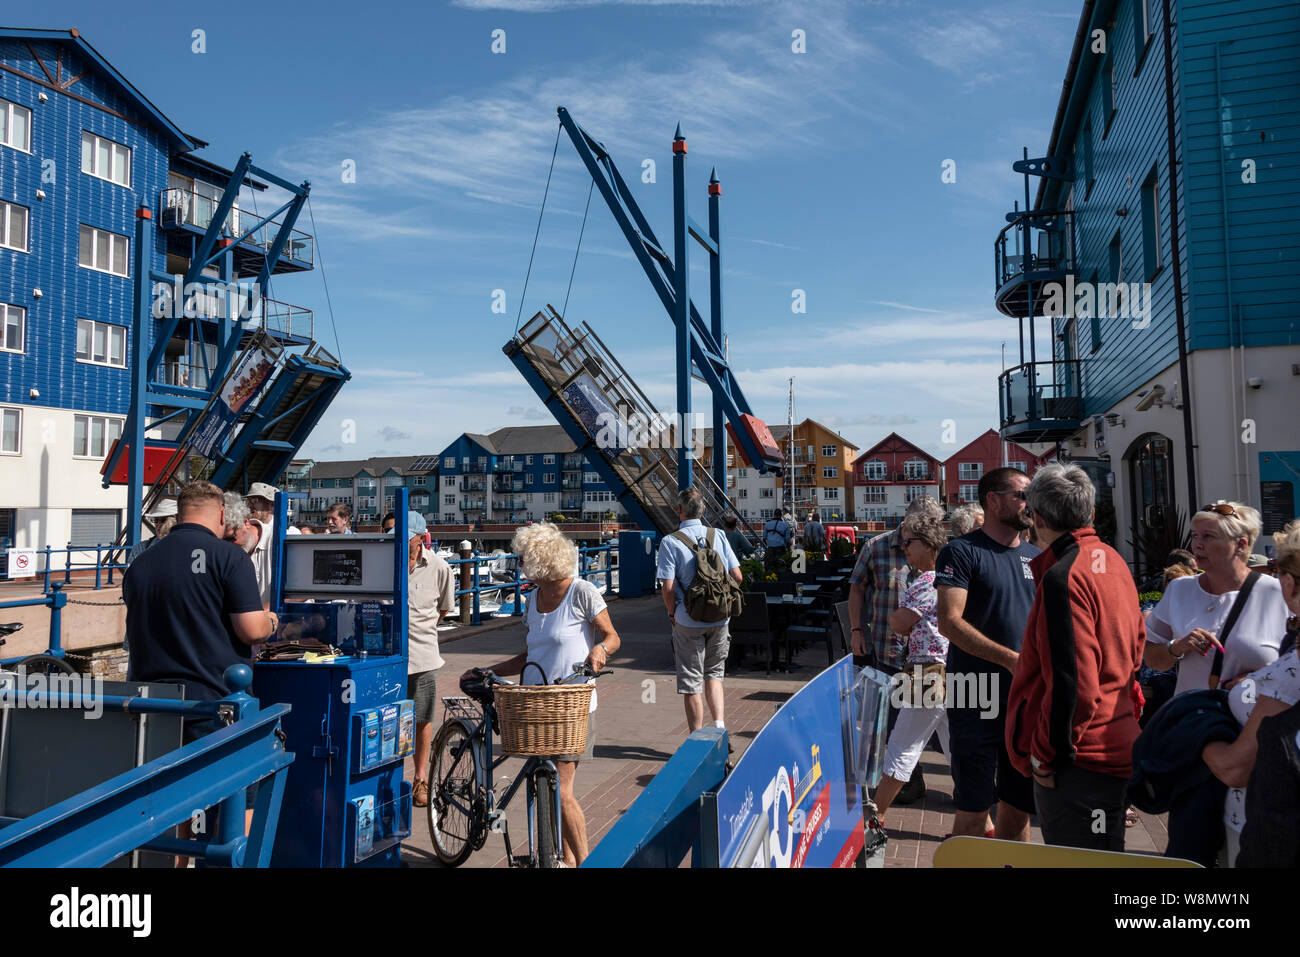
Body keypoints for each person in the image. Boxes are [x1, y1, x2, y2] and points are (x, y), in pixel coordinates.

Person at [123, 481, 277, 859]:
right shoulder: (229, 558)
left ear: (179, 514)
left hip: (153, 707)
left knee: (171, 808)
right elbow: (250, 629)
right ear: (223, 514)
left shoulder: (141, 562)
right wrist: (271, 620)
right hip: (214, 705)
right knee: (238, 801)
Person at [1004, 465, 1146, 851]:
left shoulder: (1064, 575)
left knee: (1082, 856)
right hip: (1113, 744)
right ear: (1091, 514)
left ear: (1038, 518)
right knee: (1101, 853)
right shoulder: (1112, 560)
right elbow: (1135, 648)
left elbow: (1075, 685)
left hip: (1081, 760)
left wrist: (1046, 758)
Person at [474, 521, 622, 866]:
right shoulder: (532, 599)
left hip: (573, 703)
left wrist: (600, 652)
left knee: (562, 786)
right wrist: (493, 670)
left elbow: (612, 637)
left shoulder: (582, 592)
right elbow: (531, 656)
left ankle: (584, 862)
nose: (520, 565)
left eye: (524, 559)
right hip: (536, 704)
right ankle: (566, 861)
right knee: (551, 783)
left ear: (541, 560)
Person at [935, 467, 1039, 840]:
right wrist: (1011, 659)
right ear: (992, 500)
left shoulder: (1036, 556)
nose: (1029, 502)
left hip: (1023, 699)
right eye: (1021, 494)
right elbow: (949, 622)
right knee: (974, 813)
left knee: (1018, 811)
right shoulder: (962, 552)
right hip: (973, 693)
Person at [1199, 518, 1300, 867]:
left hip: (1271, 832)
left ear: (1288, 583)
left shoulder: (1290, 677)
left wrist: (1198, 732)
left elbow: (1234, 768)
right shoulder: (1288, 666)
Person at [850, 494, 946, 803]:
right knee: (895, 722)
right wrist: (856, 629)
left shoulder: (940, 561)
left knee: (912, 732)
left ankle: (886, 802)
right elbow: (857, 587)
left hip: (930, 663)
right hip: (888, 647)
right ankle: (908, 785)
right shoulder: (876, 547)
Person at [1143, 501, 1288, 696]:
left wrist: (1258, 679)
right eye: (1194, 536)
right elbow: (1152, 659)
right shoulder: (1180, 589)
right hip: (1197, 719)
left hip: (1254, 720)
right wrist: (1176, 647)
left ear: (1241, 544)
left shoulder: (1276, 593)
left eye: (1208, 536)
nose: (1197, 544)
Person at [872, 514, 951, 822]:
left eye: (909, 542)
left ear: (929, 545)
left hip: (925, 672)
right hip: (953, 670)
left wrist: (894, 619)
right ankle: (983, 827)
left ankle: (873, 818)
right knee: (955, 749)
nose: (903, 547)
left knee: (901, 747)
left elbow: (901, 622)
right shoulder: (953, 576)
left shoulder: (927, 580)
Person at [657, 488, 744, 735]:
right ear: (703, 510)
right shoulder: (718, 535)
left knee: (691, 683)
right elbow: (737, 575)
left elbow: (668, 588)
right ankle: (719, 728)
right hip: (720, 618)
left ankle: (697, 739)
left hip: (688, 620)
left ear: (679, 510)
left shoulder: (670, 542)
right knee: (714, 675)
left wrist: (673, 614)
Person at [405, 511, 453, 810]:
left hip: (422, 657)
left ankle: (421, 778)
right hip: (387, 658)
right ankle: (390, 776)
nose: (400, 541)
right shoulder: (386, 562)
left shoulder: (439, 568)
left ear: (421, 537)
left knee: (422, 720)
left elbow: (444, 610)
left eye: (406, 536)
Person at [126, 499, 178, 566]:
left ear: (177, 521)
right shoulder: (140, 549)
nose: (158, 524)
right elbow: (130, 574)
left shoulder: (186, 548)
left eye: (163, 520)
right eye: (156, 520)